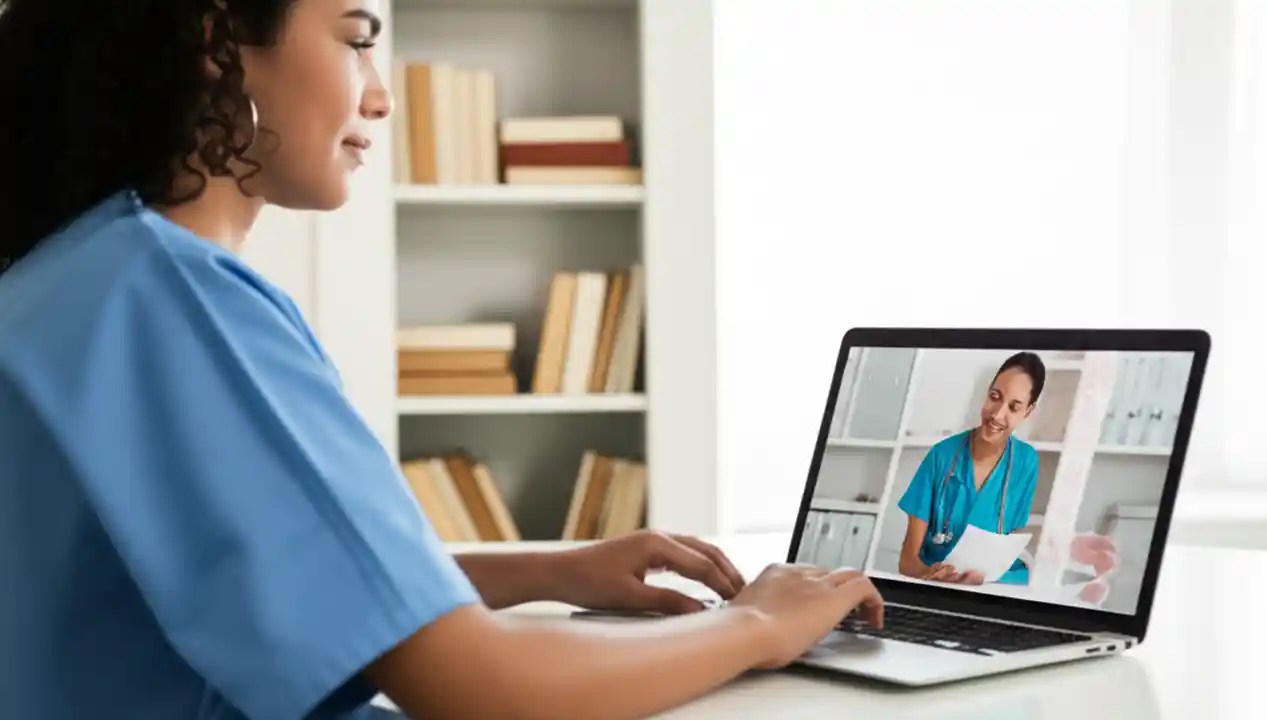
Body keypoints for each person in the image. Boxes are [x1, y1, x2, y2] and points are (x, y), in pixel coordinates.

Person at [0, 1, 884, 718]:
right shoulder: (178, 302)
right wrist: (760, 624)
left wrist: (548, 569)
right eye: (354, 41)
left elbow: (256, 586)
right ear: (216, 43)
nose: (380, 98)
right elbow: (481, 687)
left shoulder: (79, 278)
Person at [896, 352, 1046, 585]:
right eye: (995, 397)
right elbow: (907, 563)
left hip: (993, 587)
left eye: (1014, 407)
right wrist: (932, 575)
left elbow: (1010, 545)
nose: (997, 414)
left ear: (1028, 411)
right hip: (940, 587)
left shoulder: (1026, 462)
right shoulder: (941, 456)